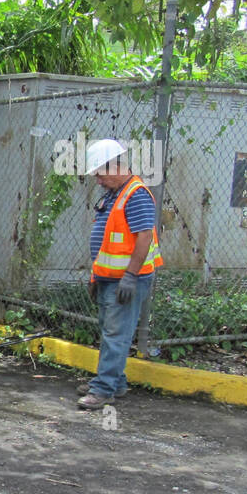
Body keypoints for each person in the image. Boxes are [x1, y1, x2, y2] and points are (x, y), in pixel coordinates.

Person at [77, 139, 164, 410]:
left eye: (100, 174)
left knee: (116, 333)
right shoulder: (116, 193)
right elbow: (109, 243)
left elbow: (144, 237)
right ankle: (115, 382)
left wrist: (130, 276)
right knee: (110, 330)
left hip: (126, 280)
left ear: (114, 166)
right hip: (109, 278)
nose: (98, 181)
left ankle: (104, 390)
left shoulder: (135, 194)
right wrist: (96, 278)